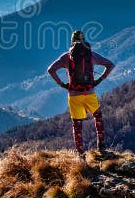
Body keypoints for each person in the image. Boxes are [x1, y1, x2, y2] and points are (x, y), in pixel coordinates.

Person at [47, 30, 114, 158]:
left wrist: (62, 84)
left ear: (72, 41)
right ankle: (101, 147)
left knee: (77, 125)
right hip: (90, 93)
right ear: (84, 40)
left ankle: (81, 155)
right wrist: (99, 80)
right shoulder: (91, 55)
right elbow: (110, 65)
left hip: (74, 95)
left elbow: (51, 70)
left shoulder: (67, 56)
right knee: (98, 117)